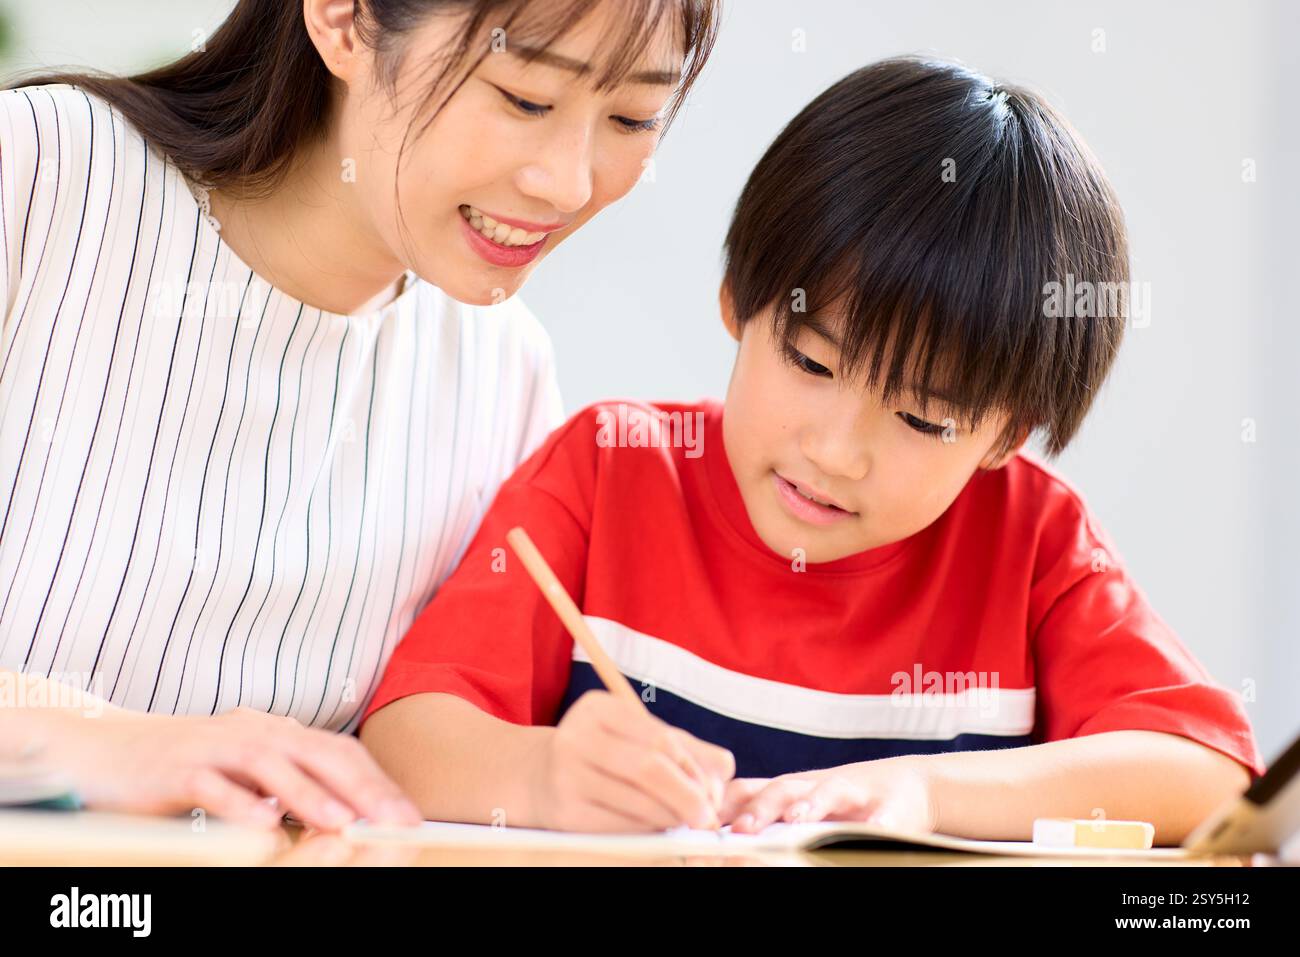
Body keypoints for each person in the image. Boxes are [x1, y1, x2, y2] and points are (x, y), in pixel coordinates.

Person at [359, 57, 1264, 840]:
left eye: (922, 420)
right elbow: (404, 737)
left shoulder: (1030, 540)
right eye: (809, 361)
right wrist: (542, 775)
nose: (836, 451)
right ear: (737, 303)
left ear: (1005, 436)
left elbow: (1209, 772)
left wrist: (923, 789)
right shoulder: (612, 467)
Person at [0, 0, 719, 830]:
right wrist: (111, 744)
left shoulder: (504, 370)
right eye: (525, 97)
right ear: (342, 21)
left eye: (632, 117)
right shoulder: (39, 177)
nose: (569, 181)